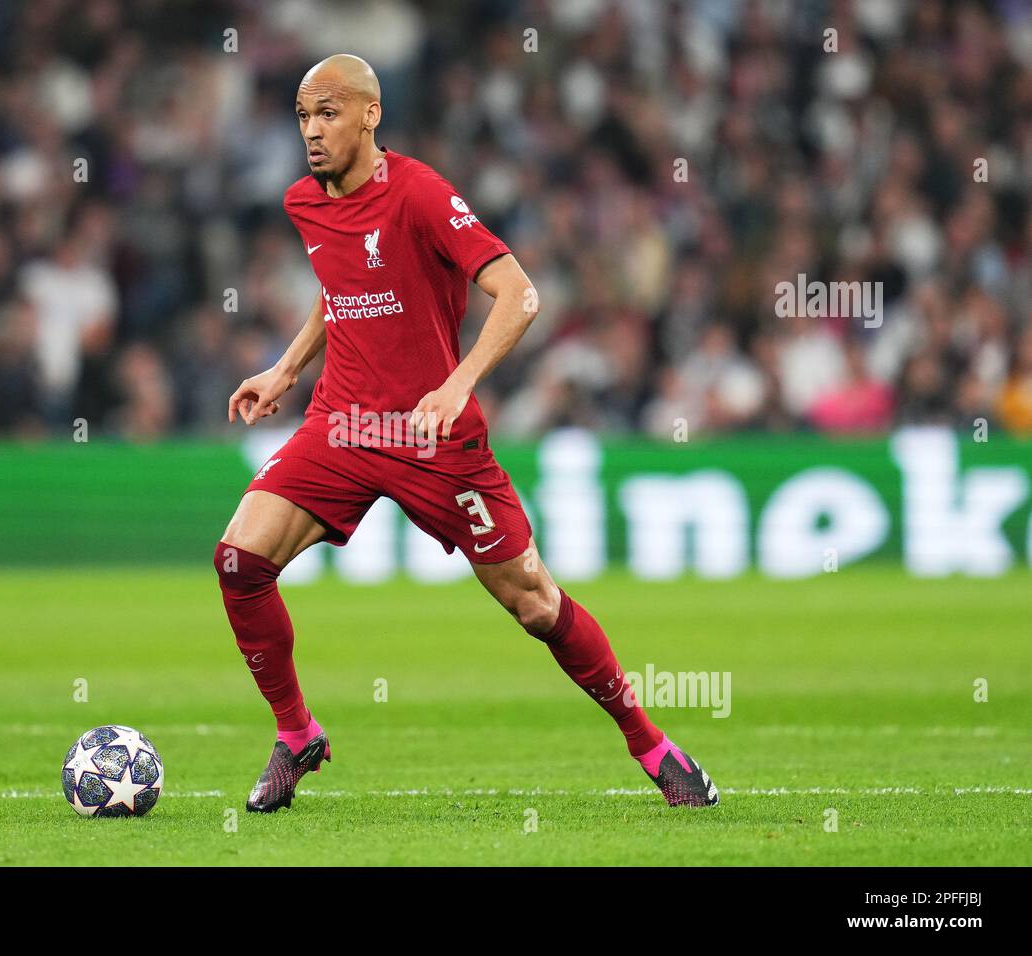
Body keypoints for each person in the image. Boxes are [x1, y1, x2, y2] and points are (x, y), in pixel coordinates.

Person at [216, 54, 718, 812]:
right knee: (238, 560)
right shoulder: (304, 202)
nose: (311, 132)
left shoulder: (420, 194)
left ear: (370, 114)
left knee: (536, 604)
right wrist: (286, 368)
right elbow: (339, 286)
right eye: (301, 116)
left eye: (327, 113)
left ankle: (649, 742)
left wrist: (458, 384)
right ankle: (296, 735)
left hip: (433, 438)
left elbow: (519, 293)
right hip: (344, 424)